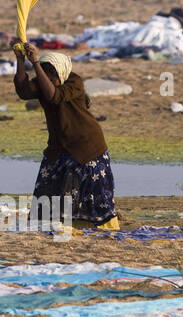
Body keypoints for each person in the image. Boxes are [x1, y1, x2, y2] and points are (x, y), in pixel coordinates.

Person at [12, 43, 117, 229]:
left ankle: (92, 226)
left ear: (61, 72)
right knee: (47, 187)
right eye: (46, 77)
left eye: (52, 77)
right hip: (59, 146)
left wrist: (35, 62)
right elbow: (23, 90)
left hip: (86, 147)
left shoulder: (74, 82)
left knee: (91, 193)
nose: (49, 81)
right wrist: (21, 61)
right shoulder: (43, 84)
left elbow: (55, 96)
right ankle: (50, 225)